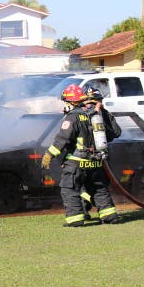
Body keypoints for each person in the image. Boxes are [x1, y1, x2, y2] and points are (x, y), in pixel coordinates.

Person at [41, 84, 122, 227]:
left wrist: (49, 154)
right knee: (99, 188)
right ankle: (110, 215)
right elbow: (112, 133)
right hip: (96, 162)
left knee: (69, 188)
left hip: (77, 162)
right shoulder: (93, 114)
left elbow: (63, 139)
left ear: (70, 102)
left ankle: (75, 218)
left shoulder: (73, 117)